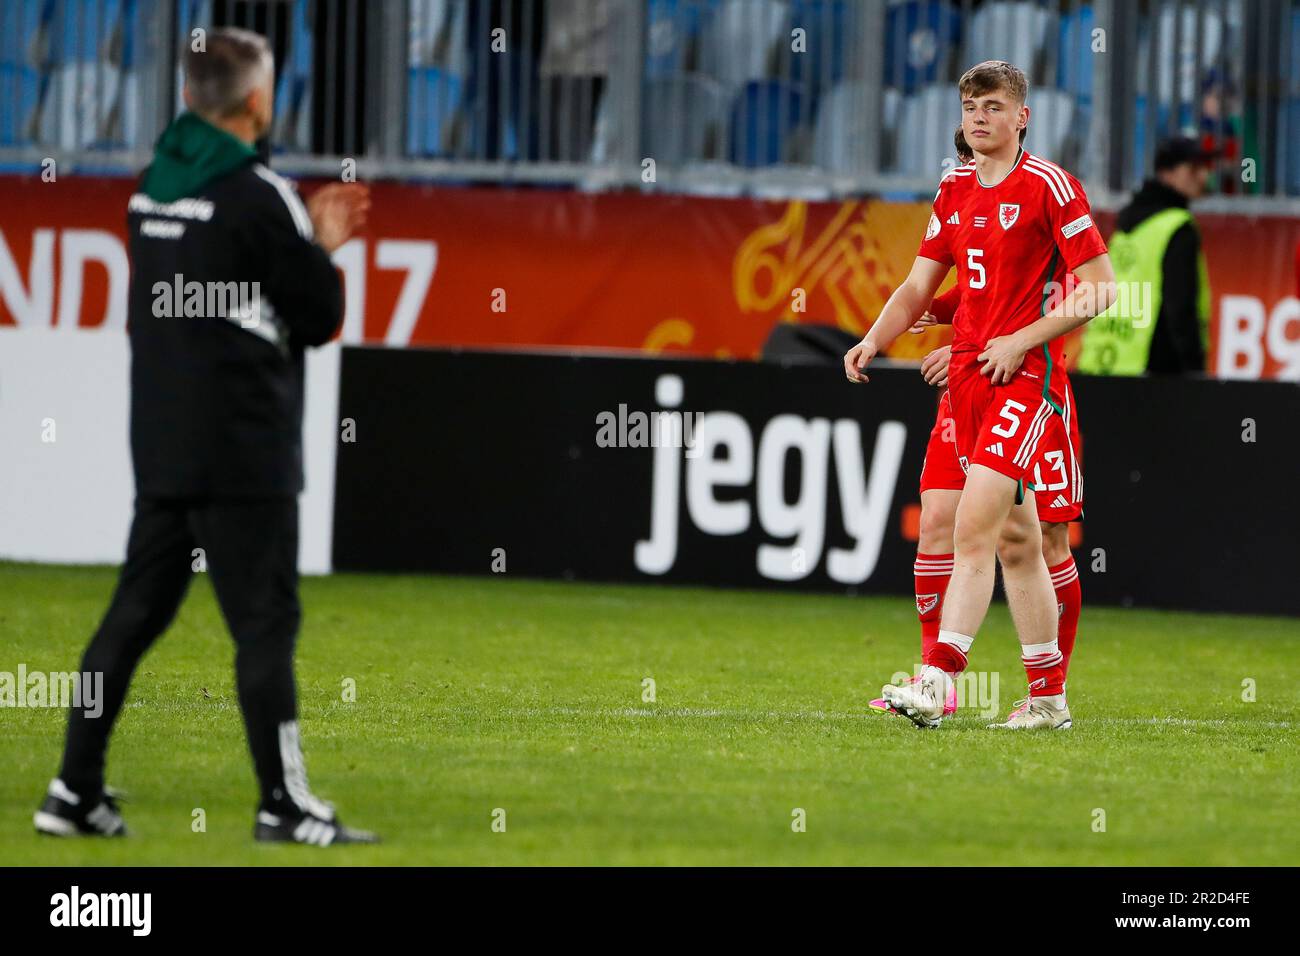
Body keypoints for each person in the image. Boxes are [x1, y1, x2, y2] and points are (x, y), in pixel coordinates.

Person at [35, 28, 376, 845]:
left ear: (190, 96)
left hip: (162, 441)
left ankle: (72, 789)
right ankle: (283, 806)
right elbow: (320, 316)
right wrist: (320, 248)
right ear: (258, 103)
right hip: (245, 450)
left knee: (131, 617)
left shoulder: (149, 189)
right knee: (264, 628)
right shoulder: (263, 197)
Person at [843, 60, 1115, 730]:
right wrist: (874, 338)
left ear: (1022, 116)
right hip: (967, 380)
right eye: (970, 106)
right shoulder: (956, 191)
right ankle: (1049, 699)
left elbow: (1103, 287)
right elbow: (917, 288)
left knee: (975, 528)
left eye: (993, 105)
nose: (979, 117)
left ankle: (936, 680)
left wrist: (1023, 340)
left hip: (1025, 378)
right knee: (1016, 542)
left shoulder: (1050, 185)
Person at [1077, 135, 1212, 376]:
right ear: (1167, 173)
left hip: (1101, 362)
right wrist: (1194, 370)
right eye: (1193, 168)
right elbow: (1180, 308)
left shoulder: (1126, 225)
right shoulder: (1178, 227)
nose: (1203, 176)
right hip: (1155, 369)